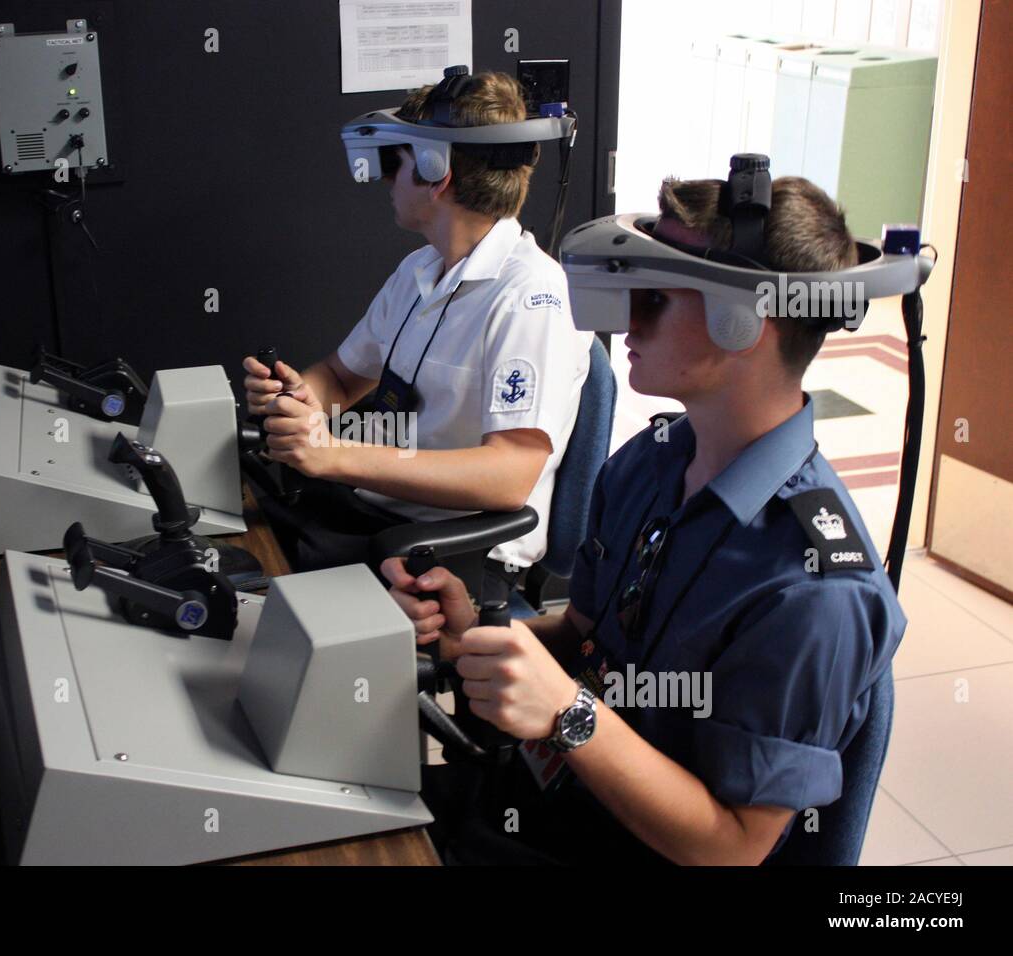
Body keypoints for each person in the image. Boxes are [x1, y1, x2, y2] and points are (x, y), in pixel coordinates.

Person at [383, 173, 906, 865]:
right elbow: (588, 638)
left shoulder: (814, 590)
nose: (627, 320)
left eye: (655, 298)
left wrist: (568, 714)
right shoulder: (650, 462)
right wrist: (474, 637)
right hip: (551, 806)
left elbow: (733, 849)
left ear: (743, 321)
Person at [244, 71, 590, 575]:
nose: (387, 178)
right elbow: (341, 378)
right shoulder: (419, 270)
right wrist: (299, 402)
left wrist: (332, 454)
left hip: (450, 553)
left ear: (436, 171)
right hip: (375, 514)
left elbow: (510, 475)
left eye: (396, 160)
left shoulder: (531, 298)